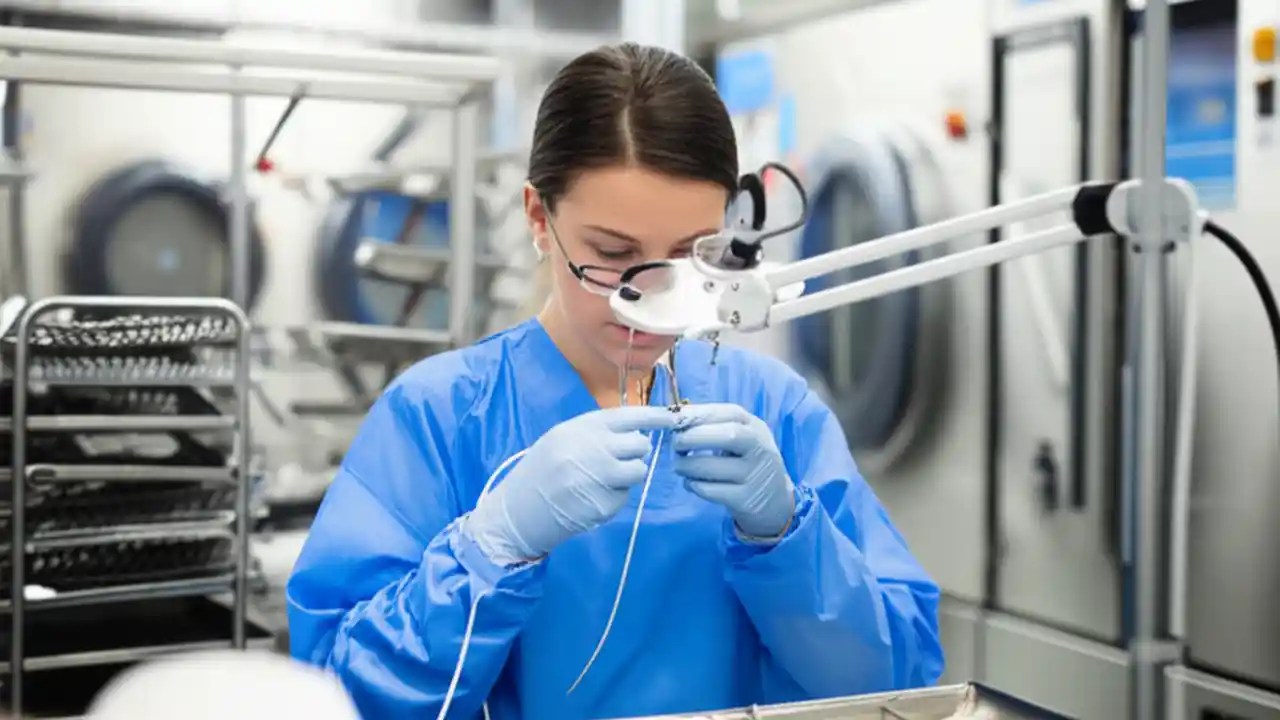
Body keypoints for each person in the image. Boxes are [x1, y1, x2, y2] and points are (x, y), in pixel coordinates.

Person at [286, 42, 944, 719]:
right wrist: (490, 548)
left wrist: (789, 541)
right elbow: (337, 699)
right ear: (540, 219)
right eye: (612, 254)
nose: (655, 293)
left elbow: (900, 679)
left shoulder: (775, 410)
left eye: (694, 254)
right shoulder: (437, 419)